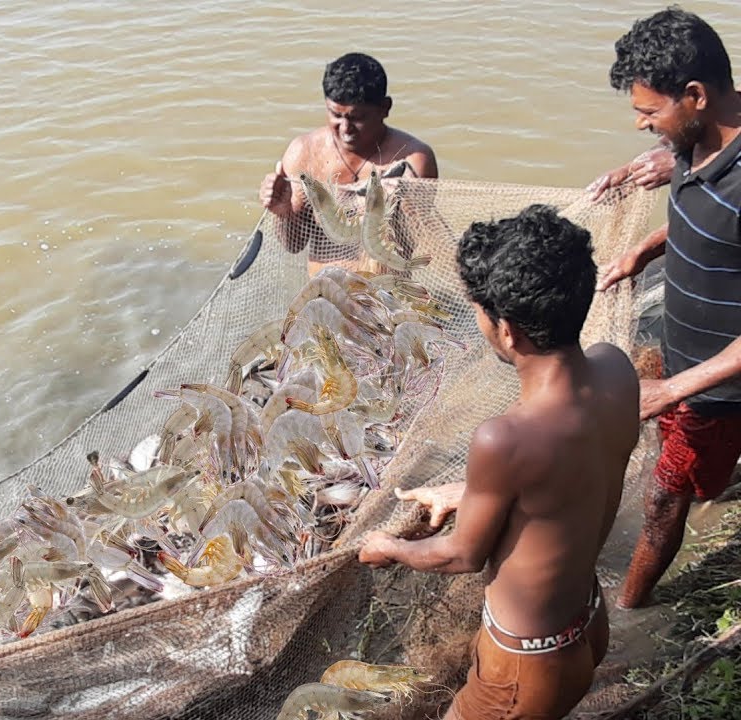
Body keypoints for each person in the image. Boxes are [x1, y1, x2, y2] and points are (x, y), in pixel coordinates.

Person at [358, 205, 640, 719]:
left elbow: (461, 556)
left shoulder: (503, 437)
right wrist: (468, 491)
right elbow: (568, 477)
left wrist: (389, 546)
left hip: (524, 666)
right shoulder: (615, 368)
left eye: (480, 313)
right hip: (587, 621)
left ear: (507, 330)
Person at [596, 7, 741, 610]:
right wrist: (642, 250)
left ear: (696, 95)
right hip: (685, 360)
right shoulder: (695, 142)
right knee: (685, 466)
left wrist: (676, 386)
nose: (640, 126)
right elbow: (698, 220)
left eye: (649, 113)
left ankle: (631, 615)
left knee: (661, 501)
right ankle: (713, 478)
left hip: (716, 384)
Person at [257, 52, 439, 276]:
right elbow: (293, 245)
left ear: (385, 108)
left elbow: (418, 245)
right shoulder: (303, 153)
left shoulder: (413, 158)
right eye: (336, 115)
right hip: (324, 291)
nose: (345, 128)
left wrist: (394, 211)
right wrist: (283, 211)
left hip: (386, 294)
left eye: (357, 117)